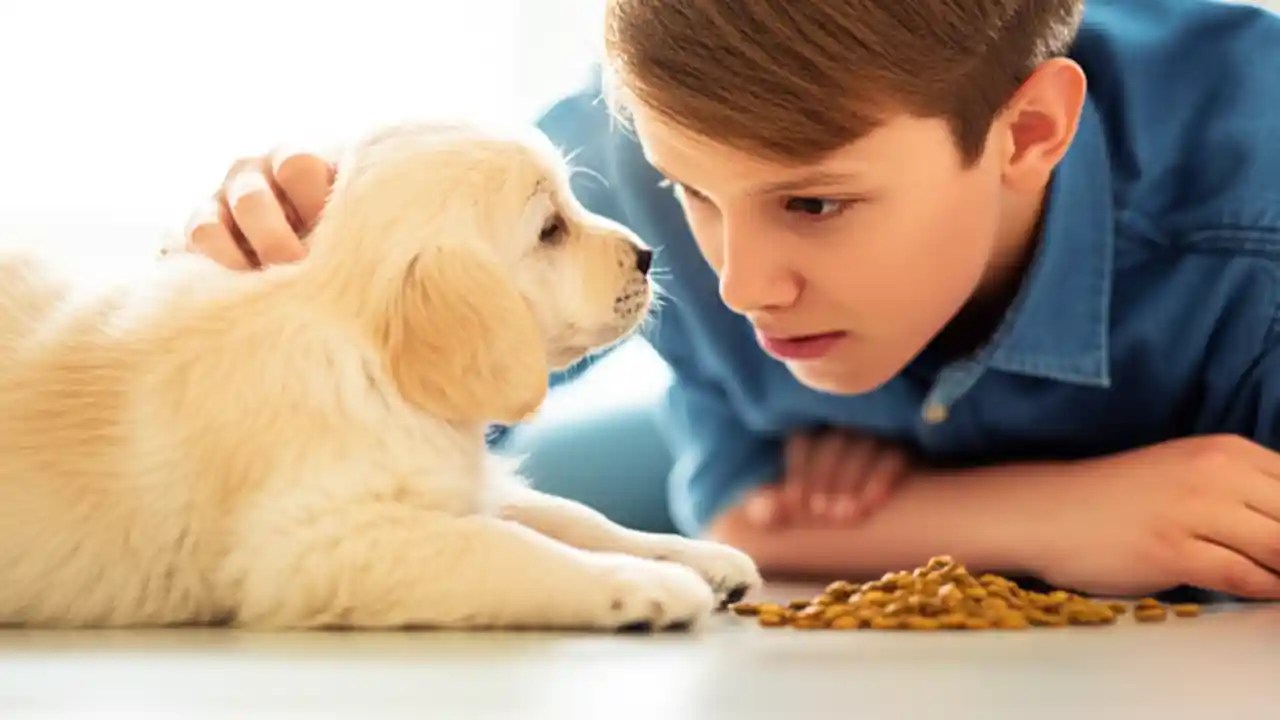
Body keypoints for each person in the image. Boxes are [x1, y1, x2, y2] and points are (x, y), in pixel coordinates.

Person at [181, 0, 1280, 599]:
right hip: (686, 463)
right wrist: (265, 297)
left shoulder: (1252, 202)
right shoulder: (628, 137)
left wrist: (824, 518)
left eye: (812, 204)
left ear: (1027, 132)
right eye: (687, 193)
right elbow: (729, 514)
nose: (738, 285)